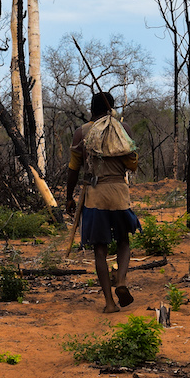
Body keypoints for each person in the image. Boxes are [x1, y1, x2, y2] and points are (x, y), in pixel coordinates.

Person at [65, 91, 140, 313]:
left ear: (91, 109)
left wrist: (69, 196)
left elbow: (73, 168)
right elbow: (133, 164)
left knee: (100, 250)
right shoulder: (122, 130)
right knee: (123, 241)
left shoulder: (82, 132)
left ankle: (109, 303)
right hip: (119, 193)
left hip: (95, 195)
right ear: (111, 108)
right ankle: (122, 281)